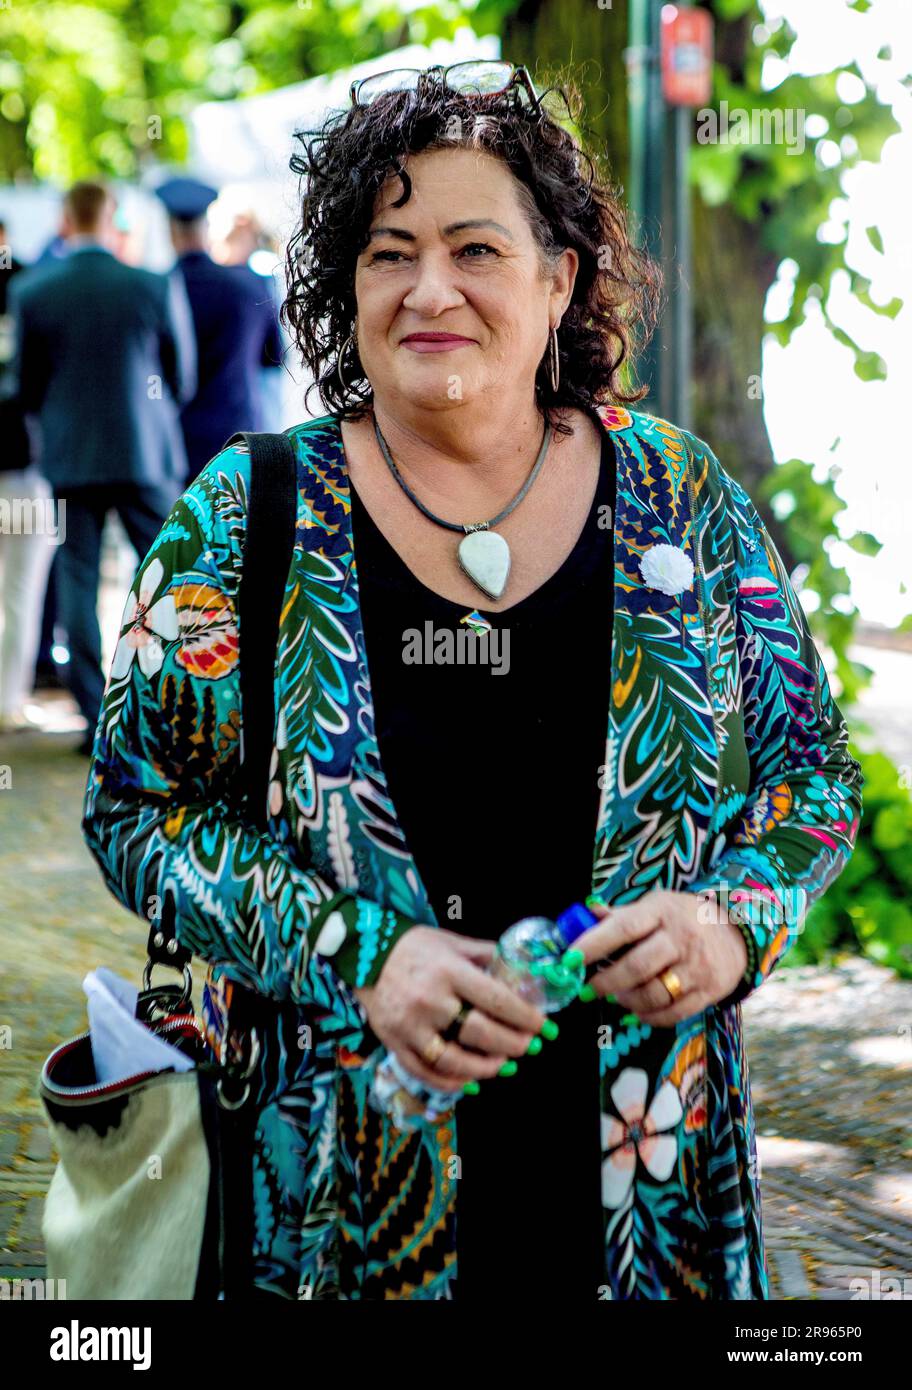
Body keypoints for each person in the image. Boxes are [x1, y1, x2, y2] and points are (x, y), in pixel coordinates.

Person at [82, 63, 863, 1300]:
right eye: (390, 251)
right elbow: (136, 808)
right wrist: (358, 953)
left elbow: (812, 777)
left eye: (476, 248)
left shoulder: (680, 498)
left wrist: (731, 922)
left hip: (647, 1207)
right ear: (348, 286)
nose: (429, 287)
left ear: (560, 280)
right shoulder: (246, 515)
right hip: (344, 1198)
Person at [7, 180, 195, 749]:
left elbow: (25, 387)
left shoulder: (35, 290)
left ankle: (96, 719)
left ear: (66, 220)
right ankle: (178, 707)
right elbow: (181, 377)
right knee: (174, 578)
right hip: (145, 456)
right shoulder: (151, 283)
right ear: (111, 219)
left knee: (78, 582)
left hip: (70, 460)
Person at [156, 178, 285, 480]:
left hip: (175, 443)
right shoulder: (251, 287)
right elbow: (274, 360)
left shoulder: (156, 290)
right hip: (238, 438)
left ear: (171, 231)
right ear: (206, 228)